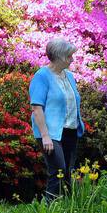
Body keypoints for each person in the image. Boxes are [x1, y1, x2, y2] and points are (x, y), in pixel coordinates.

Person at [30, 37, 88, 201]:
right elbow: (36, 107)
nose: (72, 59)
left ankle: (68, 209)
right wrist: (45, 135)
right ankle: (49, 210)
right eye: (69, 56)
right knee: (58, 170)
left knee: (68, 171)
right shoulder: (42, 76)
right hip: (50, 133)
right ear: (60, 57)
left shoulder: (68, 76)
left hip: (70, 130)